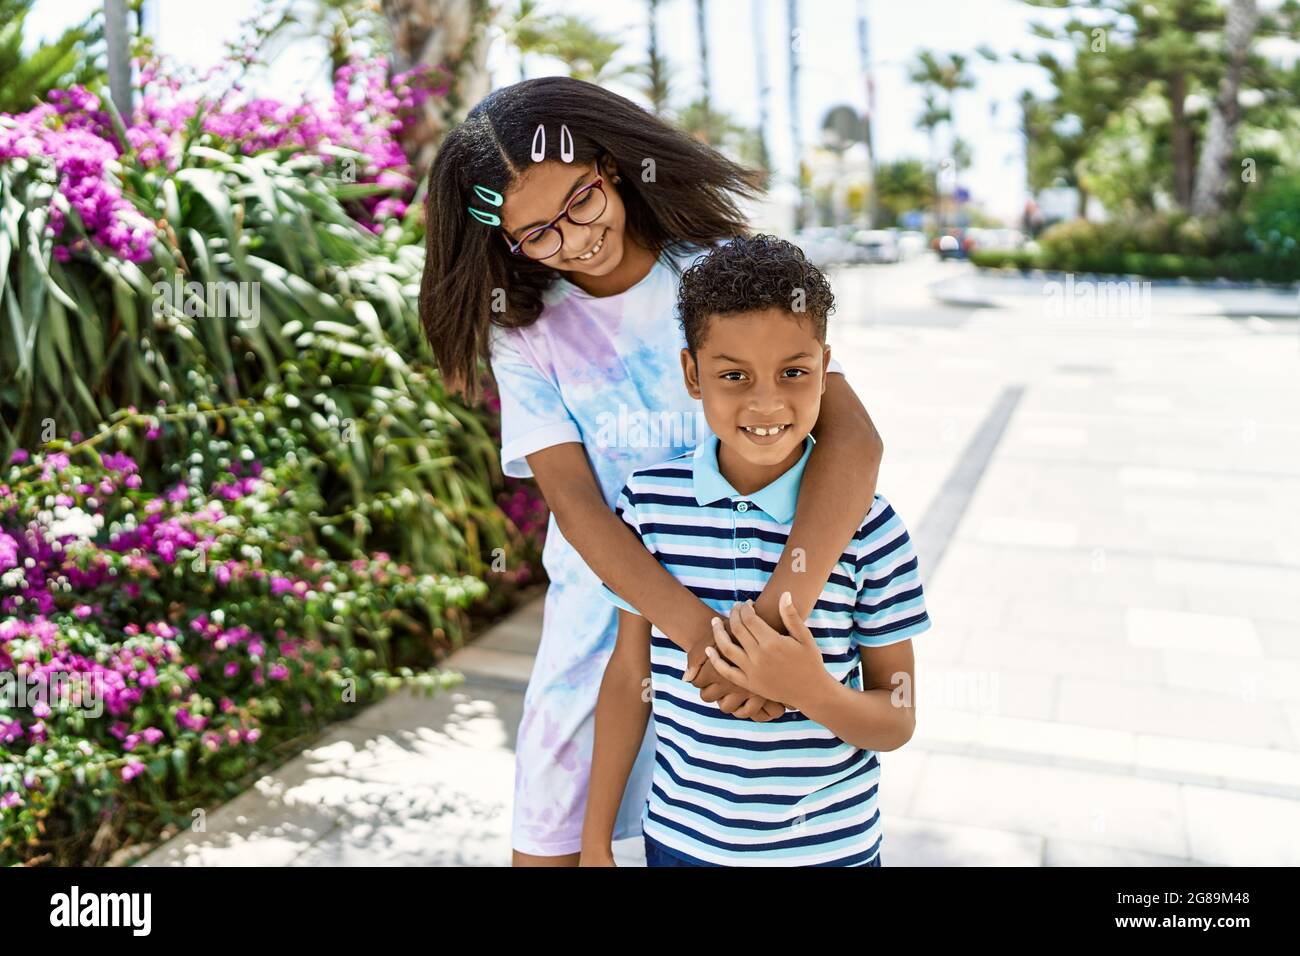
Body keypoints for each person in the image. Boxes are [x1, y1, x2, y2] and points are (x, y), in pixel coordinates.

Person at [419, 76, 885, 866]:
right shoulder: (526, 332)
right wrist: (704, 642)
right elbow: (580, 510)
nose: (572, 239)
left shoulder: (717, 274)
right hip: (602, 640)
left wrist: (768, 627)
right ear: (504, 241)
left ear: (611, 165)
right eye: (535, 233)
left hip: (764, 626)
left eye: (581, 201)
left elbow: (854, 444)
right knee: (557, 846)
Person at [580, 235, 931, 866]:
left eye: (793, 373)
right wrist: (594, 840)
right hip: (682, 844)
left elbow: (896, 715)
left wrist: (810, 689)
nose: (766, 402)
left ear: (826, 368)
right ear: (692, 374)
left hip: (829, 851)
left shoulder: (870, 529)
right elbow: (631, 676)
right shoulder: (649, 506)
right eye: (733, 376)